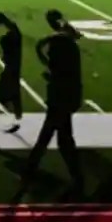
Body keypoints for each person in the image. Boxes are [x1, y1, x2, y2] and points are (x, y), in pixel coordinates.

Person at [24, 10, 85, 191]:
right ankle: (76, 176)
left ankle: (31, 169)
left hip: (60, 98)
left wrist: (49, 74)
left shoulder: (59, 44)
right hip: (68, 97)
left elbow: (54, 66)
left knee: (52, 137)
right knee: (61, 138)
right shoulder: (68, 44)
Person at [0, 12, 24, 133]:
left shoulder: (11, 47)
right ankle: (17, 120)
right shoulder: (16, 42)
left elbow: (2, 17)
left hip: (9, 74)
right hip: (12, 73)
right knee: (14, 98)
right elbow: (4, 18)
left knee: (0, 98)